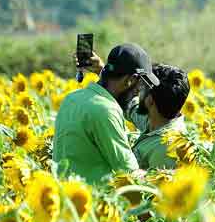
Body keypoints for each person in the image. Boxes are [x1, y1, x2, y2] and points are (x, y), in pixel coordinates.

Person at [52, 43, 158, 184]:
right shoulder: (106, 110)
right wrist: (168, 176)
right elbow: (129, 173)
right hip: (92, 201)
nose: (140, 91)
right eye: (141, 84)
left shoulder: (71, 99)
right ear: (130, 80)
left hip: (66, 196)